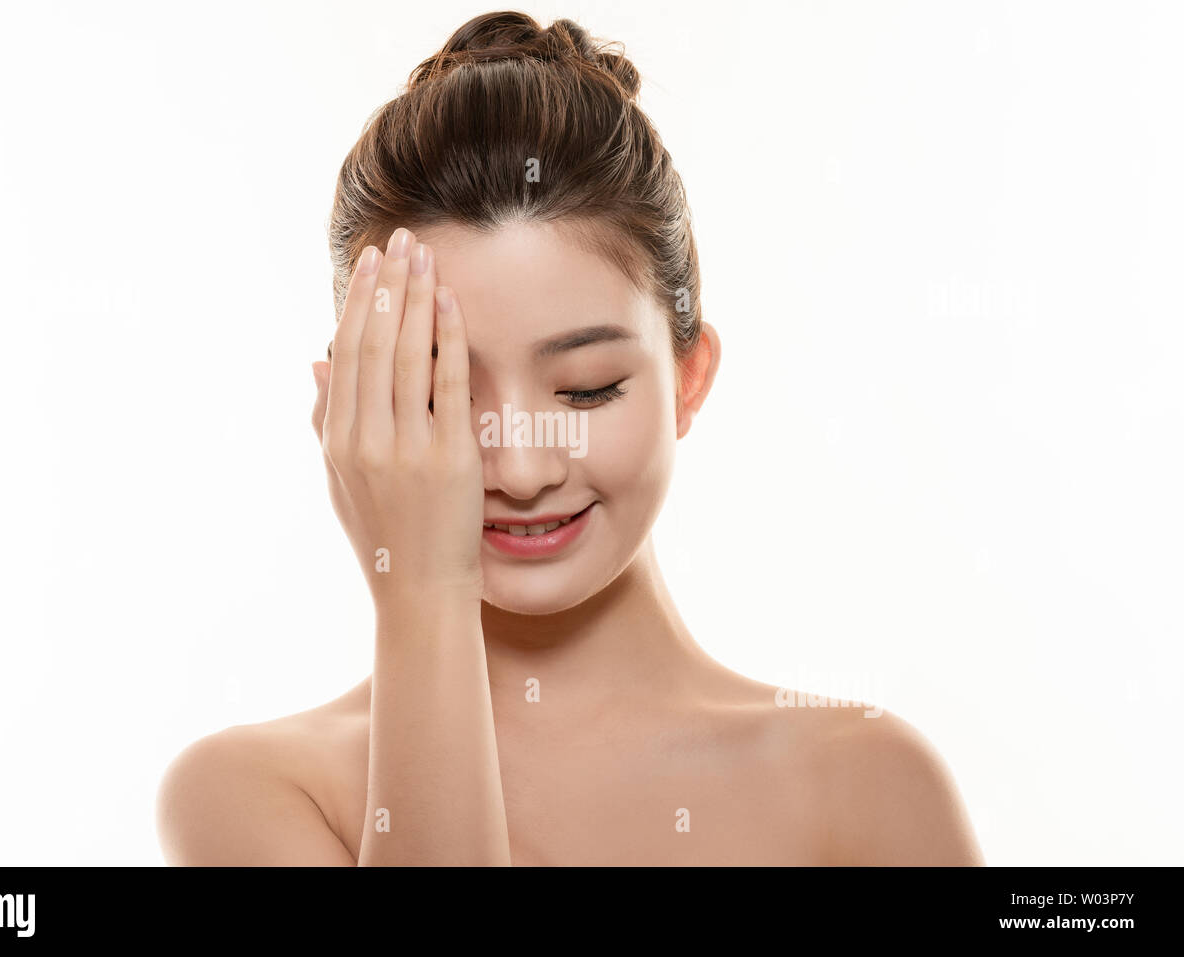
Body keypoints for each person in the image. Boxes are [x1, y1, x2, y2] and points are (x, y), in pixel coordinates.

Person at [156, 11, 985, 866]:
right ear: (354, 411)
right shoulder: (255, 794)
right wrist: (422, 590)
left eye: (587, 389)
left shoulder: (867, 783)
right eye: (443, 395)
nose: (520, 466)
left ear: (689, 377)